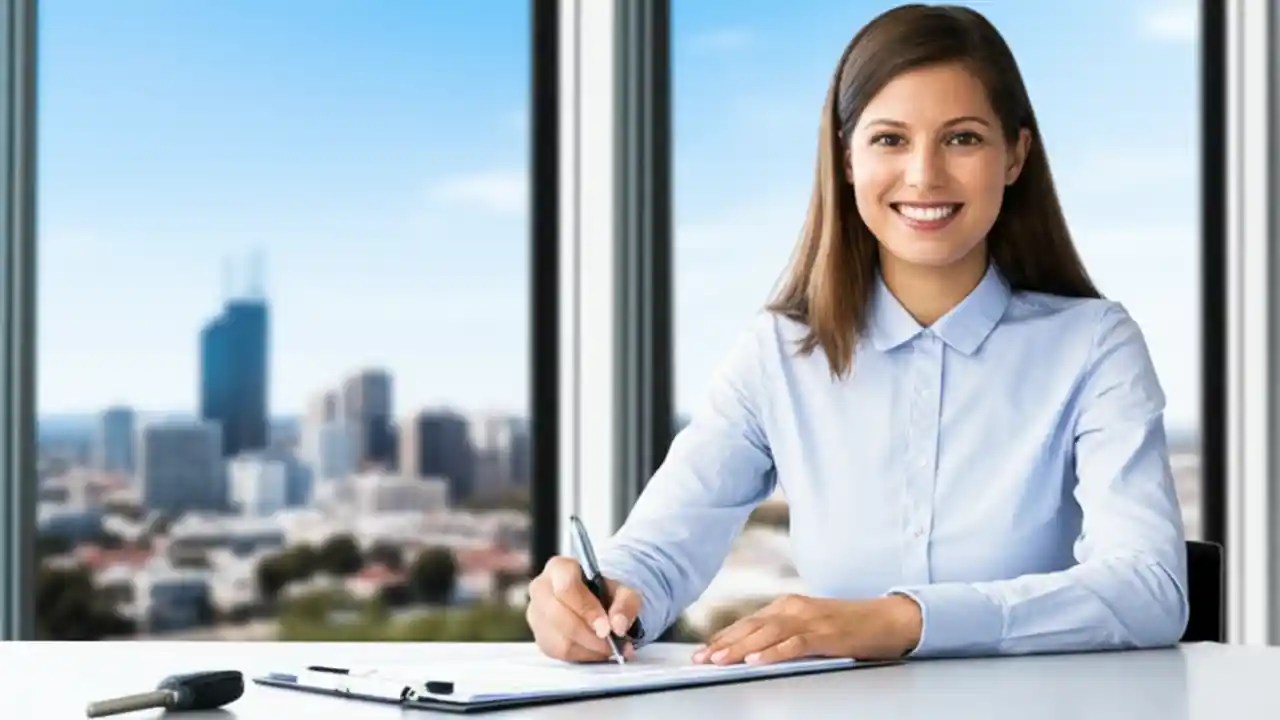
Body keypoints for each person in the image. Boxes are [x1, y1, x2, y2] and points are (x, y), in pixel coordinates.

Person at [524, 3, 1188, 665]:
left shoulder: (1096, 345)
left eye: (962, 138)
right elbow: (659, 551)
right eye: (890, 139)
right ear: (846, 159)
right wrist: (597, 600)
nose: (924, 175)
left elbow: (1148, 589)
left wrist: (901, 620)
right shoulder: (778, 355)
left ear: (1014, 155)